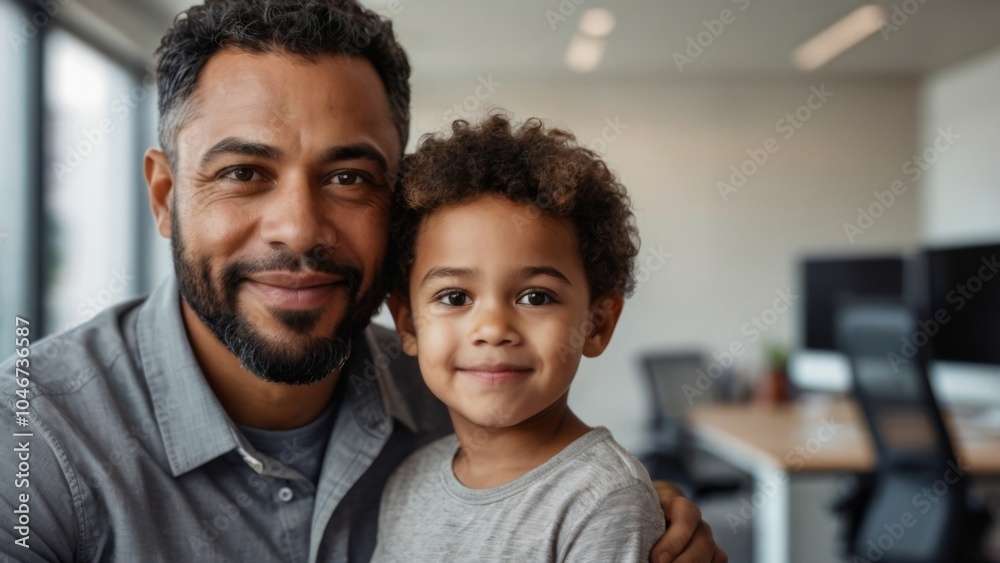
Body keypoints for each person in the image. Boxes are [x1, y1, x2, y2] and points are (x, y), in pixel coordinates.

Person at [0, 1, 726, 561]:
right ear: (164, 197)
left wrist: (635, 520)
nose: (299, 228)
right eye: (244, 174)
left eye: (349, 177)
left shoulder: (460, 400)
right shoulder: (30, 444)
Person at [371, 114, 664, 562]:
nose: (492, 329)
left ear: (597, 324)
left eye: (535, 296)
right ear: (408, 325)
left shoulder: (603, 500)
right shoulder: (405, 482)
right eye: (454, 297)